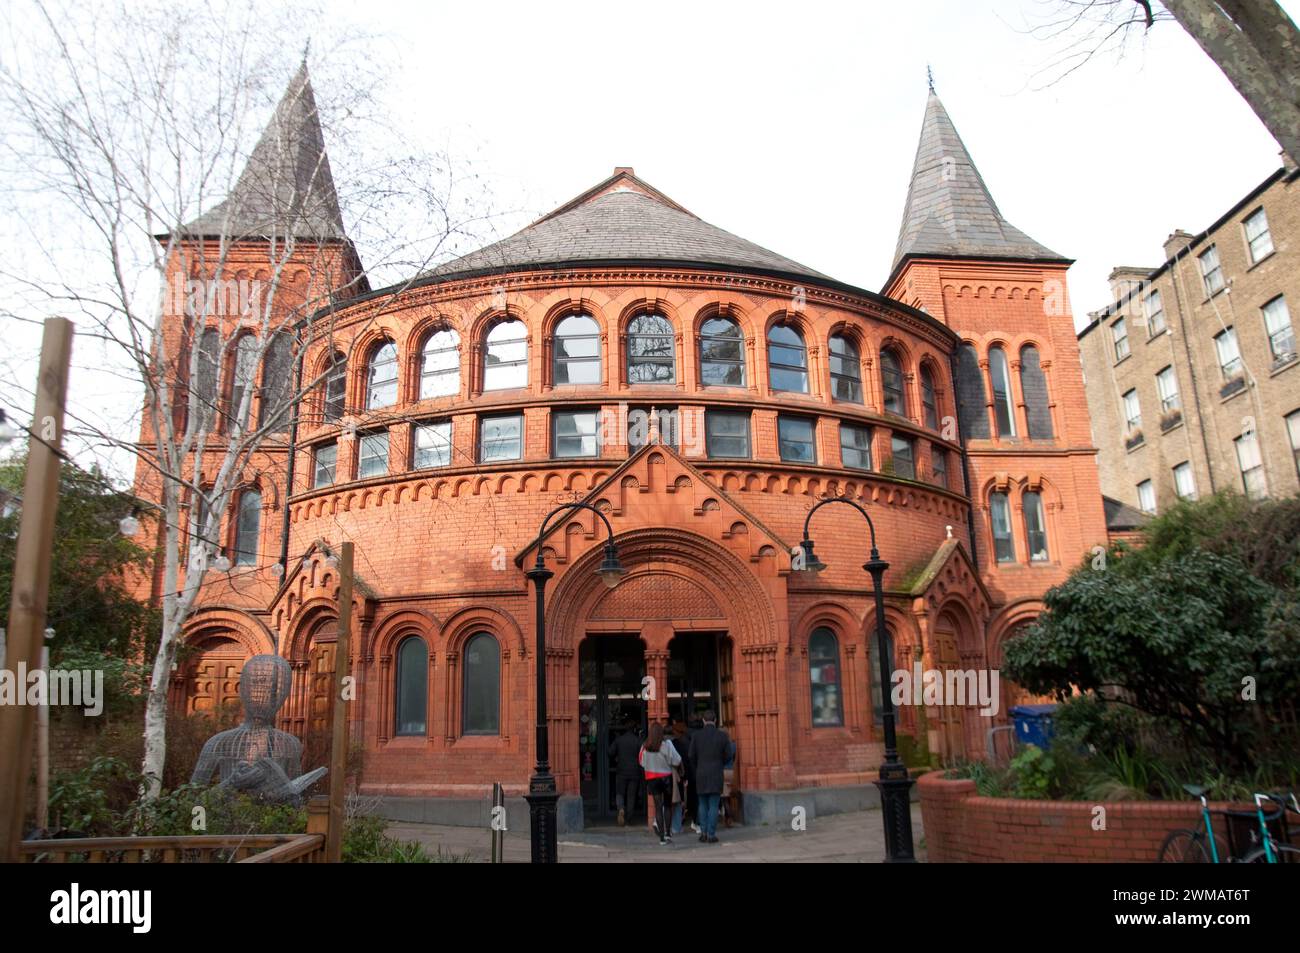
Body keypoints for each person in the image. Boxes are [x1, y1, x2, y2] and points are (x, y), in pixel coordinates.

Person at [688, 710, 731, 843]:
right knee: (713, 805)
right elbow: (728, 756)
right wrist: (719, 763)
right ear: (716, 720)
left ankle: (703, 833)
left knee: (702, 804)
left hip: (701, 773)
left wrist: (698, 766)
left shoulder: (696, 736)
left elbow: (691, 755)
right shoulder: (722, 736)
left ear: (703, 721)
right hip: (716, 773)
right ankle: (711, 834)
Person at [638, 721, 682, 845]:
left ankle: (661, 837)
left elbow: (641, 762)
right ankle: (668, 834)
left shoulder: (645, 746)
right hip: (666, 778)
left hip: (652, 779)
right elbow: (677, 760)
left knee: (658, 807)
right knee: (667, 806)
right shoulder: (667, 744)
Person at [608, 720, 642, 826]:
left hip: (621, 771)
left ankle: (621, 808)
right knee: (631, 796)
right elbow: (643, 755)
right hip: (634, 771)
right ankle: (629, 819)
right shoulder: (638, 740)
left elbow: (610, 752)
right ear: (634, 729)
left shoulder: (619, 740)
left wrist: (617, 758)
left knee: (620, 793)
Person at [669, 719, 691, 835]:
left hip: (673, 775)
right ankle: (677, 825)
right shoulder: (687, 743)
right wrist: (686, 776)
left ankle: (670, 825)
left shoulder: (674, 744)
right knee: (680, 801)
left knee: (672, 802)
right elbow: (686, 762)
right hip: (681, 775)